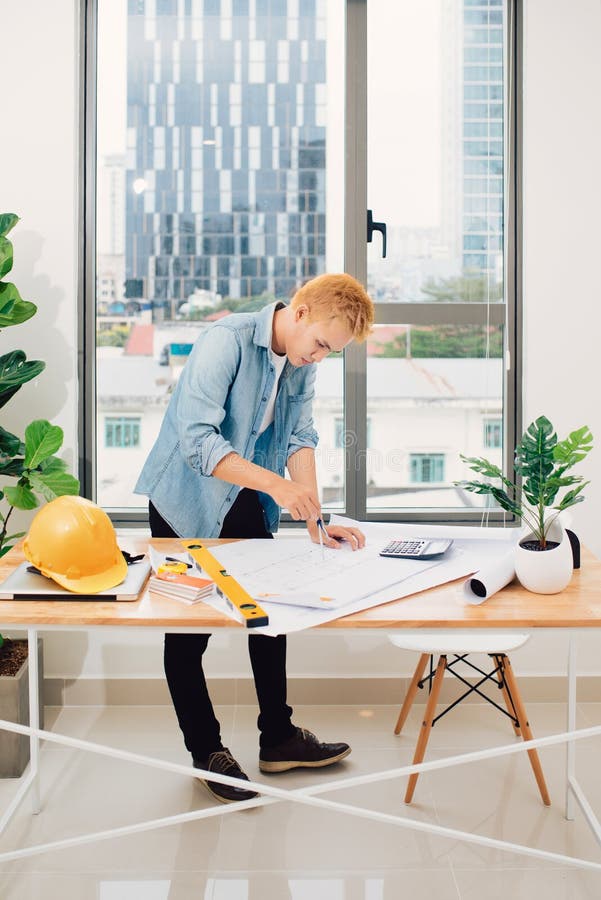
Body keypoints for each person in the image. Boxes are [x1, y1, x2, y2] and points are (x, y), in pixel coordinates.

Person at [135, 273, 374, 803]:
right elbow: (198, 444)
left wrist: (313, 515)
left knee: (270, 615)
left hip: (245, 492)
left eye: (332, 353)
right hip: (184, 498)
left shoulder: (302, 362)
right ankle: (208, 752)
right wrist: (281, 489)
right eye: (321, 345)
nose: (320, 358)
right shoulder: (226, 341)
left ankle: (279, 738)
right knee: (188, 633)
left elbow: (300, 436)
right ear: (302, 312)